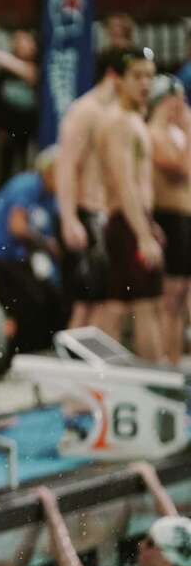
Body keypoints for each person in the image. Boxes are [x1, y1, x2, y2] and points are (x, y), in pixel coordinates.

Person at [36, 462, 191, 566]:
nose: (140, 545)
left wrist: (52, 512)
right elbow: (176, 528)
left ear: (167, 560)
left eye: (150, 544)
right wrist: (152, 482)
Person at [95, 47, 162, 361]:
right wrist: (143, 233)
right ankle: (157, 385)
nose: (145, 83)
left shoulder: (133, 118)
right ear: (119, 80)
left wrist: (148, 225)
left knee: (119, 307)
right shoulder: (119, 122)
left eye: (150, 75)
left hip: (133, 220)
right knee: (144, 307)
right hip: (125, 221)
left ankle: (97, 383)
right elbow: (125, 184)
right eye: (137, 76)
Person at [0, 146, 66, 370]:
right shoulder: (28, 185)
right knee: (30, 306)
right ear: (48, 171)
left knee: (49, 300)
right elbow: (17, 226)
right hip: (2, 258)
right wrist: (46, 245)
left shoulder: (50, 196)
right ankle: (18, 361)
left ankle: (32, 356)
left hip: (20, 258)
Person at [56, 49, 123, 328]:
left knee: (107, 302)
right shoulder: (86, 110)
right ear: (113, 75)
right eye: (138, 76)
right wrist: (70, 218)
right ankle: (75, 369)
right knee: (87, 304)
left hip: (104, 216)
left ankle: (96, 367)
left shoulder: (115, 112)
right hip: (86, 213)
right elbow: (66, 165)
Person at [146, 75, 191, 365]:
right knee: (170, 297)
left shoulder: (175, 134)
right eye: (175, 102)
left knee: (183, 294)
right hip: (169, 219)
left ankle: (175, 360)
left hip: (184, 219)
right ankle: (166, 361)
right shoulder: (153, 133)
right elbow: (180, 168)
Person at [0, 30, 39, 187]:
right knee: (5, 173)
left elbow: (30, 74)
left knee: (30, 170)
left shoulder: (39, 65)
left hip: (33, 131)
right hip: (10, 131)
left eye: (26, 41)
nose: (24, 46)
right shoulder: (2, 74)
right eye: (18, 42)